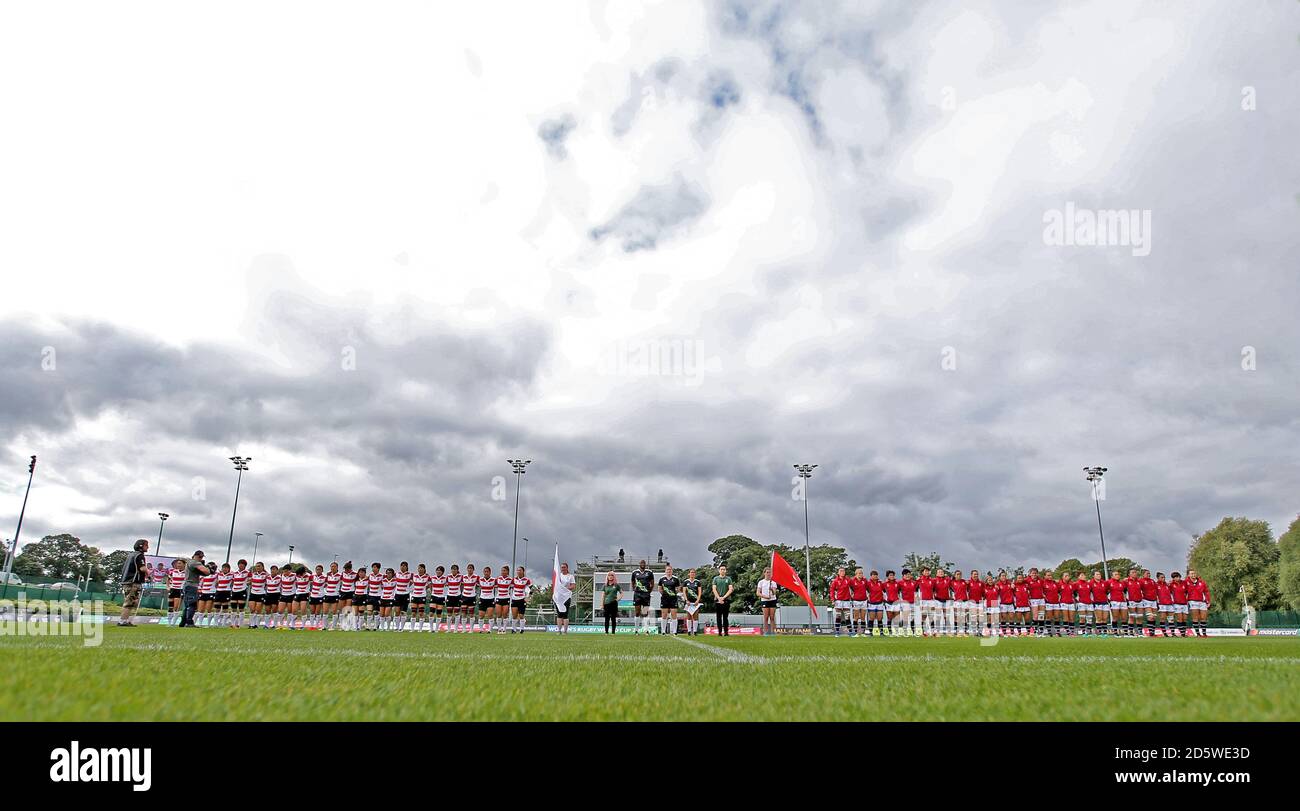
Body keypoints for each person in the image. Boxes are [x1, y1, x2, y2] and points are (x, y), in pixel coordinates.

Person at [116, 539, 149, 626]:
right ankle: (122, 621)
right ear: (141, 546)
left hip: (126, 581)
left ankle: (127, 620)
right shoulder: (139, 555)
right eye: (146, 545)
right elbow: (142, 568)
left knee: (133, 601)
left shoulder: (131, 555)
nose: (148, 547)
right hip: (133, 581)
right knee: (129, 602)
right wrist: (148, 574)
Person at [178, 551, 211, 627]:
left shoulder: (190, 562)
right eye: (200, 557)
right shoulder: (194, 562)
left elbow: (204, 573)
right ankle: (189, 622)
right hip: (191, 585)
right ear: (196, 556)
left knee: (187, 605)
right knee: (192, 604)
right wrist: (208, 568)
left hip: (187, 585)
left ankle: (183, 622)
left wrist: (207, 570)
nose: (201, 559)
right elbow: (206, 571)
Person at [630, 560, 654, 634]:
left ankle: (646, 630)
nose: (643, 564)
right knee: (637, 612)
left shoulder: (649, 572)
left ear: (645, 564)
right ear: (639, 564)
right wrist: (634, 589)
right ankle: (636, 630)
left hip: (646, 595)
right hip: (637, 595)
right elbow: (632, 582)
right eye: (641, 563)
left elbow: (652, 583)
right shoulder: (634, 572)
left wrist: (648, 591)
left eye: (644, 563)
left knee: (645, 612)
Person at [658, 565, 682, 635]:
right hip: (664, 599)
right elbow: (660, 589)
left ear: (672, 570)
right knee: (664, 614)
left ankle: (675, 631)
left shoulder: (676, 579)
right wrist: (665, 594)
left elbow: (678, 589)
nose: (669, 571)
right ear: (665, 571)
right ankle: (663, 631)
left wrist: (672, 594)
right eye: (667, 570)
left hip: (673, 599)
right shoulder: (662, 579)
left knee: (674, 614)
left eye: (670, 570)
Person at [711, 564, 734, 636]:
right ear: (719, 570)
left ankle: (726, 632)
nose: (723, 570)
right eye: (721, 569)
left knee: (725, 617)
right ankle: (720, 632)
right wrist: (718, 598)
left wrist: (723, 597)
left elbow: (731, 589)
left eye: (724, 569)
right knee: (718, 617)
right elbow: (714, 589)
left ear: (726, 570)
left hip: (726, 600)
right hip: (717, 600)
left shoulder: (729, 579)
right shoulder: (715, 579)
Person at [555, 562, 576, 634]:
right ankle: (559, 630)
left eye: (564, 567)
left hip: (566, 596)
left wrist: (565, 588)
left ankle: (565, 631)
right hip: (558, 597)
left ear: (567, 568)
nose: (563, 569)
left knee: (565, 614)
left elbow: (573, 586)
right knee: (559, 614)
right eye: (562, 567)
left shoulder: (570, 576)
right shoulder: (558, 576)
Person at [756, 567, 778, 636]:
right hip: (765, 601)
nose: (768, 574)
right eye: (767, 572)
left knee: (772, 617)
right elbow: (758, 593)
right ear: (764, 573)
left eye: (770, 572)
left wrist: (771, 589)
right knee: (765, 617)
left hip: (772, 600)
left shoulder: (773, 582)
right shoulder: (761, 582)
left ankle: (773, 632)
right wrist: (765, 597)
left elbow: (774, 593)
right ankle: (765, 632)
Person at [682, 569, 703, 635]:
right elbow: (684, 592)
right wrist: (686, 600)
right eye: (691, 572)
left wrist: (698, 600)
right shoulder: (686, 582)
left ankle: (695, 631)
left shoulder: (698, 582)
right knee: (688, 616)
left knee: (695, 616)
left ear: (695, 574)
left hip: (695, 602)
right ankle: (688, 631)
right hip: (688, 602)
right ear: (689, 574)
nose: (692, 573)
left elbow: (700, 592)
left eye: (693, 572)